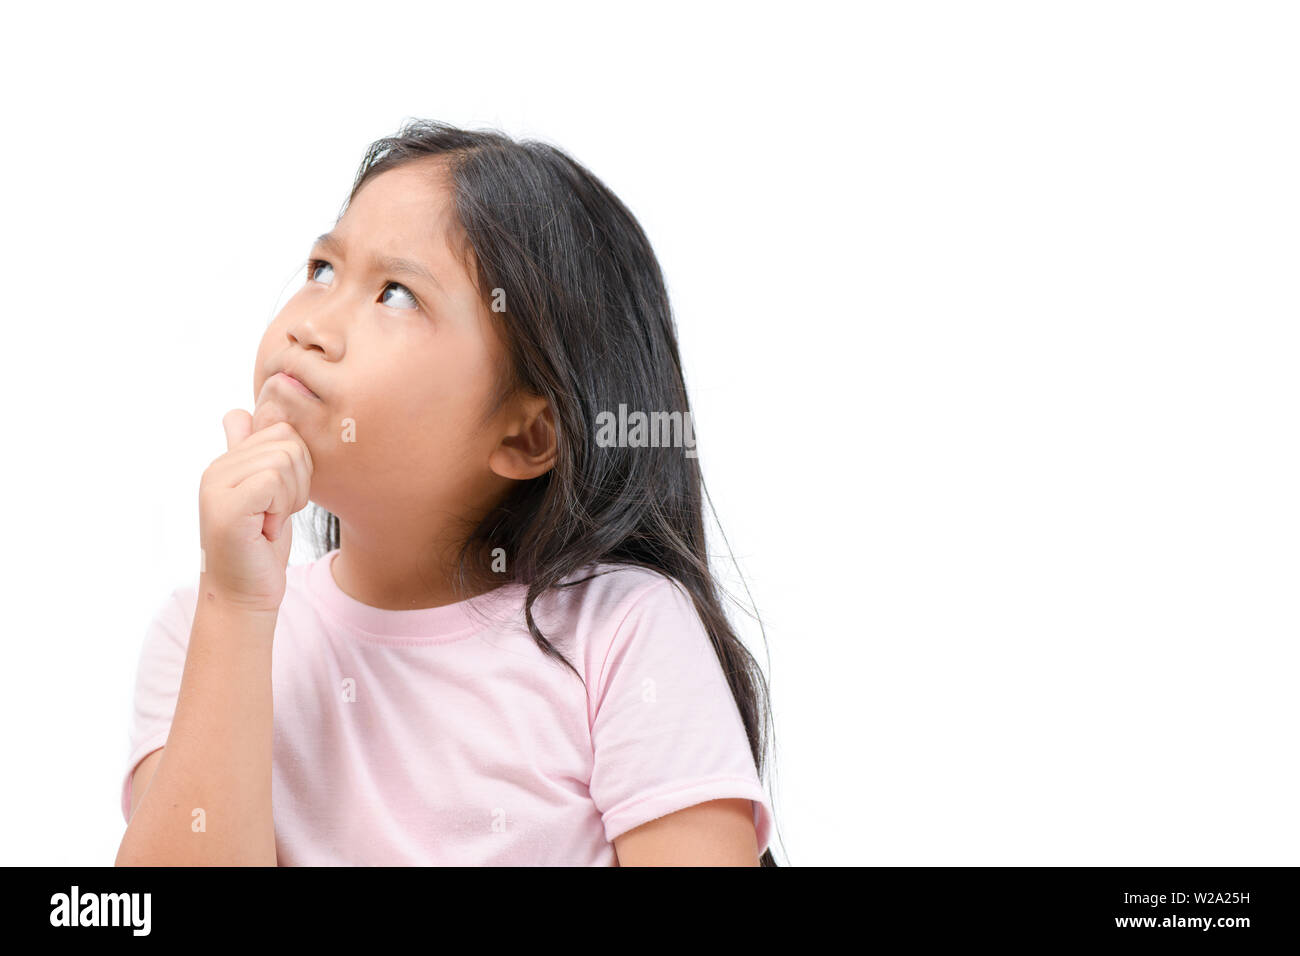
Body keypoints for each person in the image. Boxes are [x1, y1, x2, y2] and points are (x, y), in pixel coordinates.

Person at [115, 120, 778, 866]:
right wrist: (234, 613)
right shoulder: (203, 631)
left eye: (395, 294)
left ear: (525, 436)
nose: (312, 326)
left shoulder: (621, 634)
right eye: (323, 268)